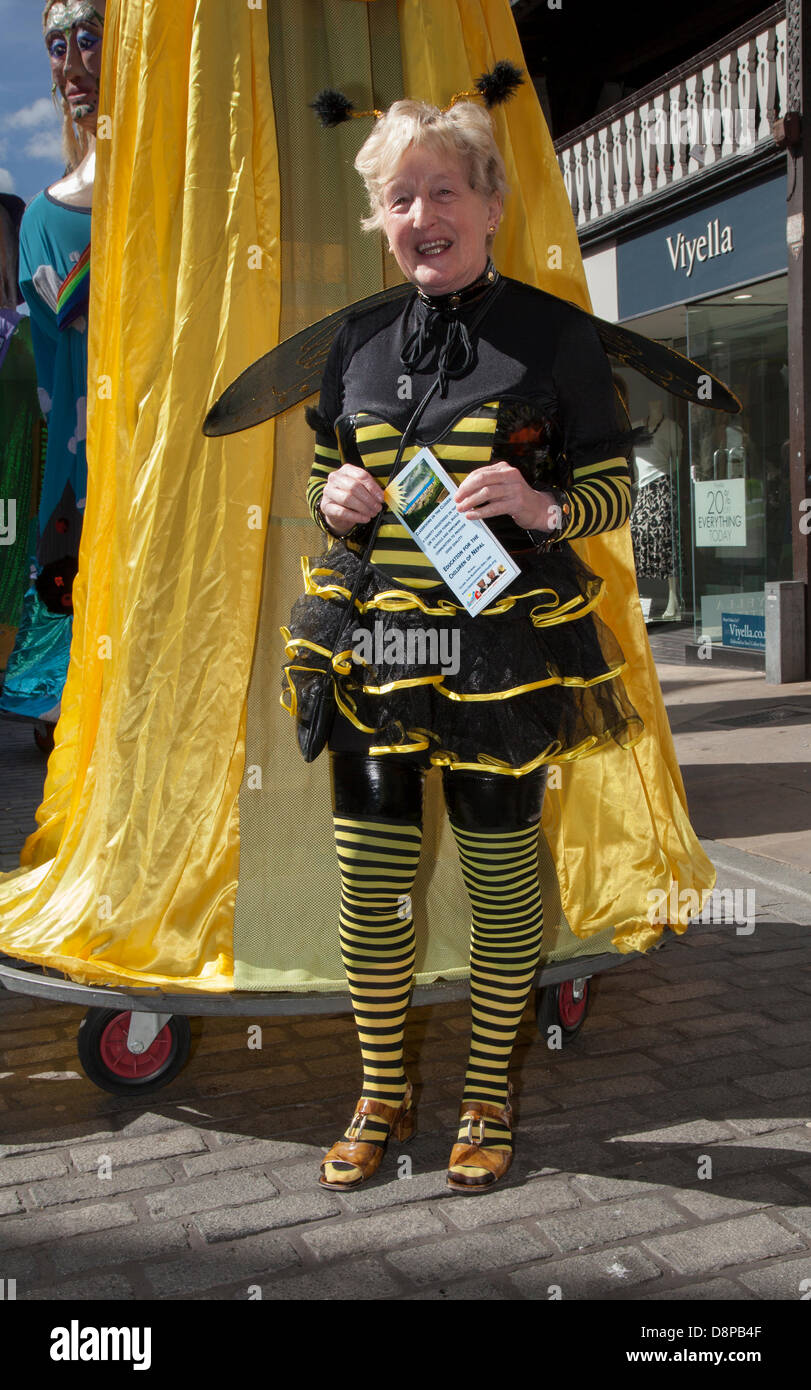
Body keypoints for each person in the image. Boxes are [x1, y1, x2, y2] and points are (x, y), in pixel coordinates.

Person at [282, 96, 644, 1193]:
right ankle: (379, 1093)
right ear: (379, 219)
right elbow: (323, 476)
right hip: (379, 653)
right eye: (401, 197)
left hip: (502, 656)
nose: (423, 213)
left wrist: (541, 508)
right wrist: (334, 495)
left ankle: (485, 1094)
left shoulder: (552, 335)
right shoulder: (354, 340)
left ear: (490, 204)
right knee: (372, 890)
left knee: (497, 888)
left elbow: (612, 489)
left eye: (445, 190)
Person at [0, 2, 105, 736]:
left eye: (91, 41)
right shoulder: (42, 217)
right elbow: (49, 379)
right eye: (57, 46)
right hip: (78, 459)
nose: (72, 64)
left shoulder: (179, 198)